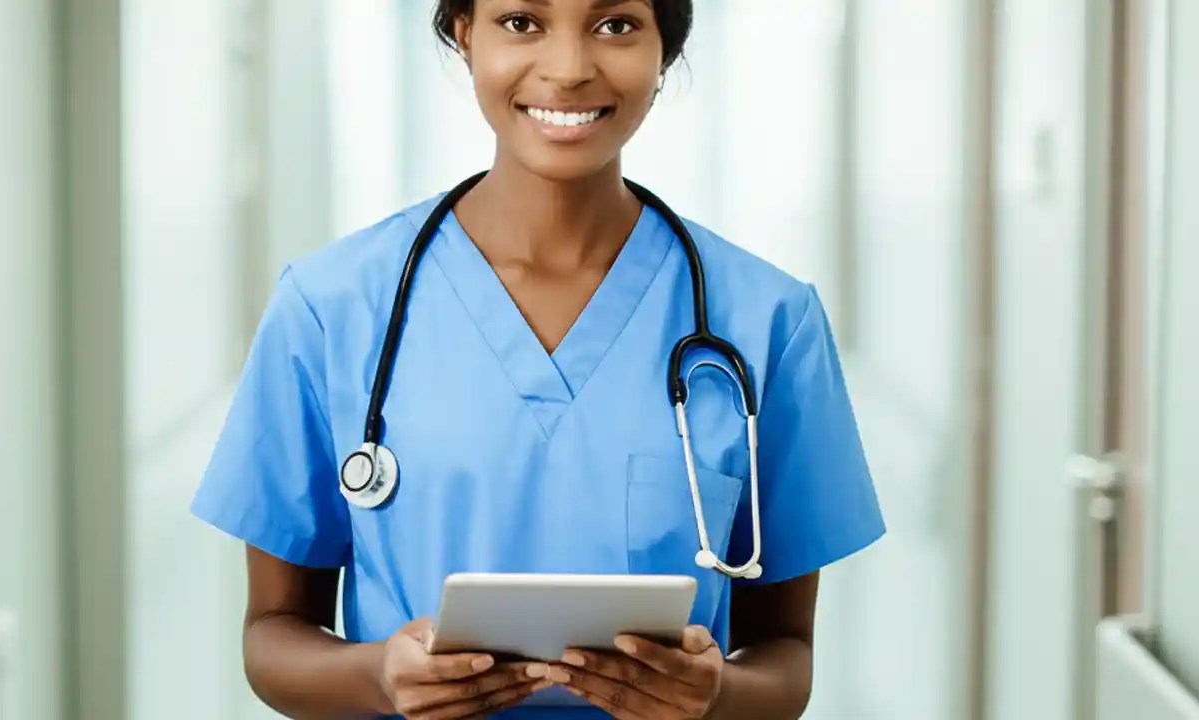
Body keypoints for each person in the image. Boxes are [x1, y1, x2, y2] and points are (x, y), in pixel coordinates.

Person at [190, 0, 885, 717]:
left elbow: (786, 657)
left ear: (665, 48)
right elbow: (273, 636)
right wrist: (378, 677)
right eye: (522, 21)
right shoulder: (329, 308)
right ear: (464, 34)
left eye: (615, 25)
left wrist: (715, 696)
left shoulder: (769, 321)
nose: (568, 69)